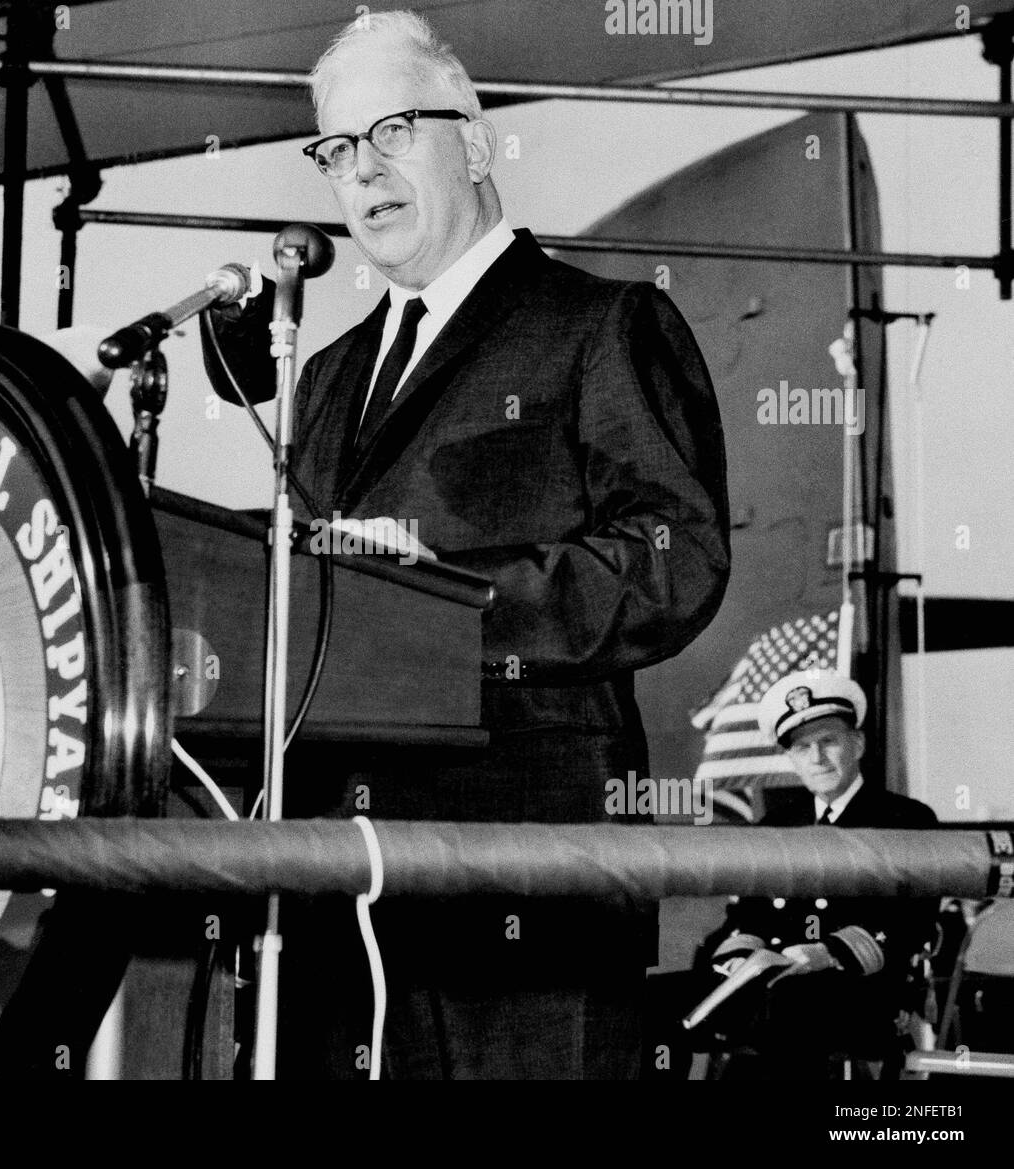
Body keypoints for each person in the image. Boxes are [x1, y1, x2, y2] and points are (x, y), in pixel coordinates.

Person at [197, 10, 731, 1078]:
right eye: (338, 150)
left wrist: (443, 607)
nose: (361, 172)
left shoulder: (601, 324)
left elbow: (674, 560)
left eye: (392, 131)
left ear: (477, 144)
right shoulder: (327, 372)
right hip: (335, 875)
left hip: (525, 874)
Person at [694, 669, 938, 1078]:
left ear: (856, 744)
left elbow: (913, 922)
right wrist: (739, 958)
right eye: (803, 748)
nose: (817, 758)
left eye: (828, 742)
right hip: (773, 981)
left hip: (860, 987)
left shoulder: (905, 819)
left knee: (789, 1005)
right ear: (791, 759)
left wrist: (827, 953)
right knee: (658, 999)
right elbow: (747, 916)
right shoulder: (775, 827)